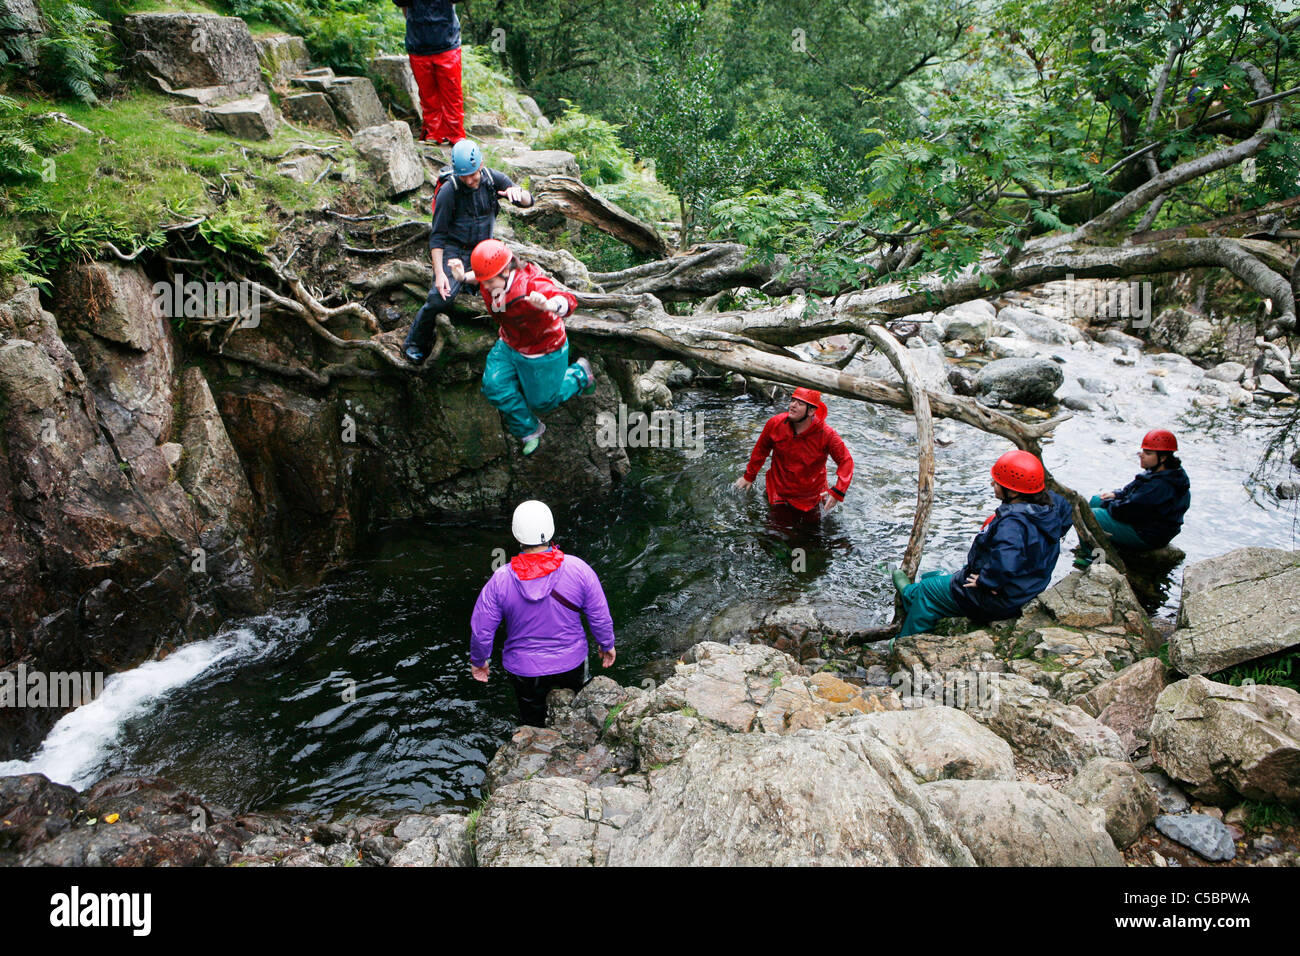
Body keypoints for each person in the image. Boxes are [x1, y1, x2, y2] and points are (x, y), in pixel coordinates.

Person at [890, 450, 1072, 638]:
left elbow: (1006, 562)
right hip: (1028, 586)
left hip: (999, 599)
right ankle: (920, 589)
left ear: (1014, 492)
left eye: (997, 482)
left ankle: (904, 636)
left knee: (928, 592)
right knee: (941, 578)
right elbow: (1067, 515)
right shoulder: (1052, 505)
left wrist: (986, 582)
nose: (993, 484)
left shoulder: (1013, 526)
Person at [469, 500, 616, 727]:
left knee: (532, 720)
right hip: (571, 662)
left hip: (524, 669)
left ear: (517, 536)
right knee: (577, 714)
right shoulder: (578, 569)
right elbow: (600, 615)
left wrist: (479, 661)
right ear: (550, 530)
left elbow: (482, 630)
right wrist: (606, 645)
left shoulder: (501, 579)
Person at [454, 238, 593, 455]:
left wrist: (549, 305)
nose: (486, 287)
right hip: (509, 343)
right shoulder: (491, 279)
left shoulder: (529, 283)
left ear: (506, 271)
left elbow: (568, 300)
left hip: (543, 349)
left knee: (543, 402)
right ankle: (529, 429)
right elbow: (479, 278)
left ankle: (580, 374)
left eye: (489, 281)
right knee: (494, 386)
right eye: (484, 281)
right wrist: (463, 277)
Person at [403, 139, 535, 365]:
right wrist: (440, 274)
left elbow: (528, 202)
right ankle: (415, 342)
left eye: (473, 174)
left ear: (481, 164)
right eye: (464, 175)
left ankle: (510, 342)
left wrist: (517, 192)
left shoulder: (494, 180)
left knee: (503, 295)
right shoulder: (449, 191)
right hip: (455, 252)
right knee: (439, 299)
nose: (469, 180)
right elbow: (437, 236)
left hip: (485, 251)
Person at [733, 387, 853, 519]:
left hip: (811, 496)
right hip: (778, 491)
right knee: (773, 532)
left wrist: (837, 492)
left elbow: (846, 461)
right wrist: (749, 476)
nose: (792, 405)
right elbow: (761, 450)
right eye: (792, 400)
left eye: (800, 403)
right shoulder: (775, 423)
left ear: (812, 411)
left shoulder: (827, 434)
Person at [1088, 429, 1191, 551]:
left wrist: (1108, 504)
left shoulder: (1160, 486)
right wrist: (1116, 495)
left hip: (1148, 535)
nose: (1141, 455)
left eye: (1147, 453)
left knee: (1091, 515)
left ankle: (1092, 557)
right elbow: (1133, 488)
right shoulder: (1161, 472)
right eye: (1143, 451)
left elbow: (1126, 510)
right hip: (1143, 523)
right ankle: (1105, 544)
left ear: (1162, 458)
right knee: (1096, 500)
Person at [393, 0, 464, 144]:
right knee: (427, 95)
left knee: (452, 94)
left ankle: (456, 135)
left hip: (447, 43)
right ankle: (433, 133)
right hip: (419, 45)